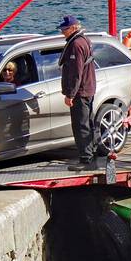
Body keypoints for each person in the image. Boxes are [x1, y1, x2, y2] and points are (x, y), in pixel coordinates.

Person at [57, 15, 98, 171]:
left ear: (74, 28)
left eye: (65, 29)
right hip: (88, 89)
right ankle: (91, 156)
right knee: (88, 124)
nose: (62, 33)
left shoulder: (76, 45)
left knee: (81, 126)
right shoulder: (85, 40)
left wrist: (70, 94)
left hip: (80, 92)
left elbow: (76, 72)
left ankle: (86, 160)